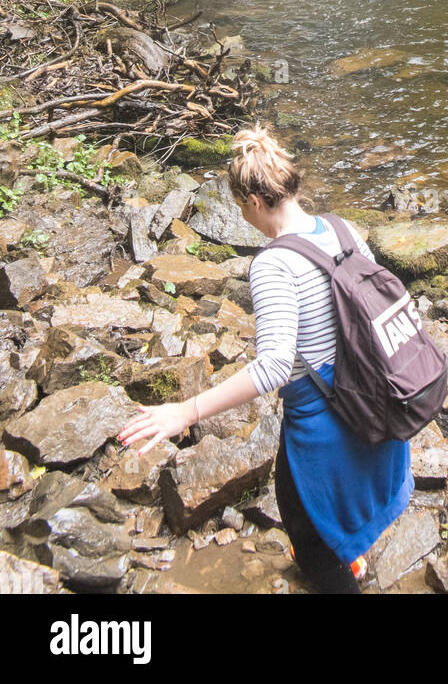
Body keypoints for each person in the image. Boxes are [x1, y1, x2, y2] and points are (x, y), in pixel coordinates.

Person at [118, 128, 413, 594]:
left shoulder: (274, 264)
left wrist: (186, 412)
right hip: (376, 399)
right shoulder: (345, 228)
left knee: (305, 529)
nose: (242, 216)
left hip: (326, 424)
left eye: (239, 206)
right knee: (343, 497)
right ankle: (350, 553)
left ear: (254, 202)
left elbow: (275, 367)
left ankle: (336, 570)